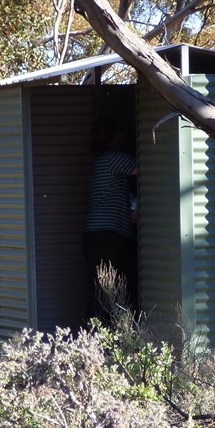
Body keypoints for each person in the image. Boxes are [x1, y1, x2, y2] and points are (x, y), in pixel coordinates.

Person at [83, 117, 137, 323]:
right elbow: (149, 170)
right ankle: (100, 338)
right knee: (107, 291)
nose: (123, 137)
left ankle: (93, 338)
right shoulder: (114, 158)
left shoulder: (102, 160)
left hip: (99, 237)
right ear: (112, 138)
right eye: (120, 133)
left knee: (101, 289)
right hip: (106, 237)